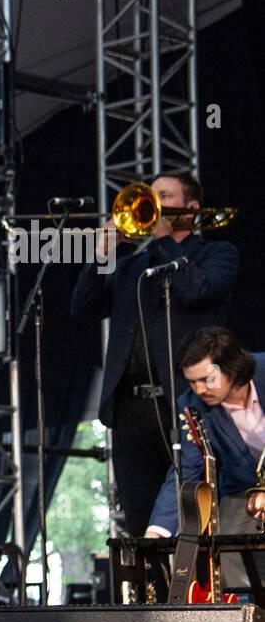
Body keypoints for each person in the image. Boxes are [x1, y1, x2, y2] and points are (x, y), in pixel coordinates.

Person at [70, 171, 238, 535]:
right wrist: (100, 257)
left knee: (194, 513)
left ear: (191, 209)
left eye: (165, 196)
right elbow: (82, 310)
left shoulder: (217, 254)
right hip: (131, 410)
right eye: (152, 196)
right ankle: (154, 592)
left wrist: (163, 241)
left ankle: (198, 591)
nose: (156, 203)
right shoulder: (131, 267)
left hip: (186, 401)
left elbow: (196, 290)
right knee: (142, 520)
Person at [146, 327, 265, 594]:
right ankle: (250, 618)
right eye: (192, 381)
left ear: (232, 367)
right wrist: (159, 529)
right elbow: (187, 470)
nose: (199, 389)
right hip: (242, 492)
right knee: (226, 546)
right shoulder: (191, 405)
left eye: (207, 379)